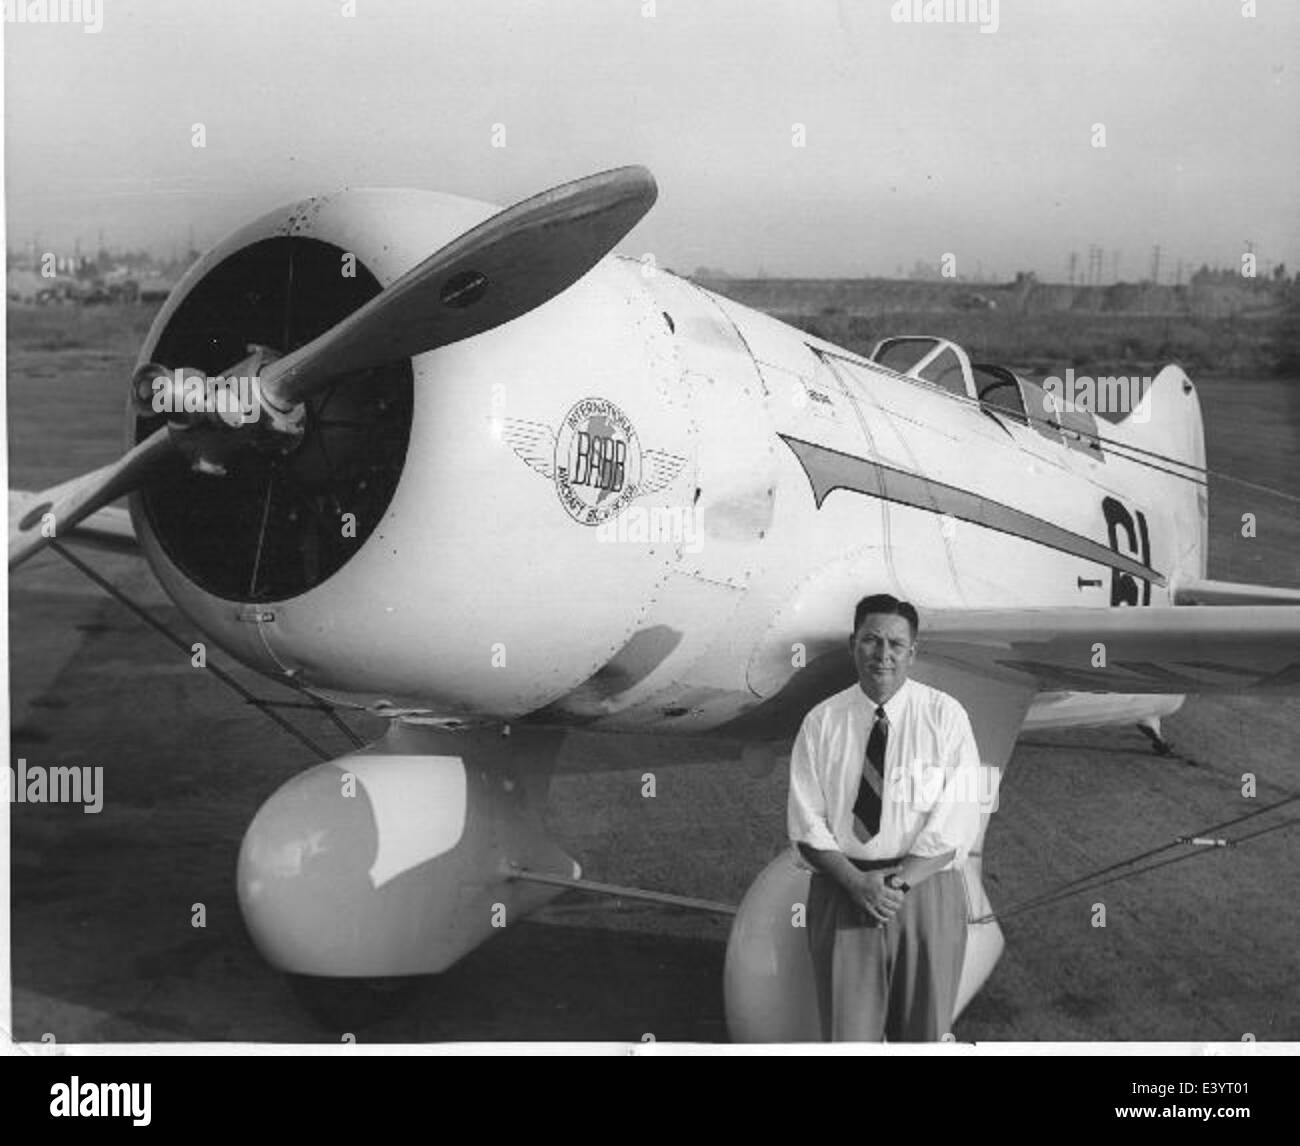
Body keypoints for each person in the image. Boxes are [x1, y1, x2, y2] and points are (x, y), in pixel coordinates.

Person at [787, 592, 983, 1041]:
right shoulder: (821, 722)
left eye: (896, 644)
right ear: (852, 644)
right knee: (847, 1038)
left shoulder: (945, 716)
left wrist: (895, 885)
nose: (883, 655)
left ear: (912, 652)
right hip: (844, 889)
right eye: (872, 641)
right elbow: (805, 824)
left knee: (923, 1036)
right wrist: (859, 884)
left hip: (925, 893)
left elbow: (959, 818)